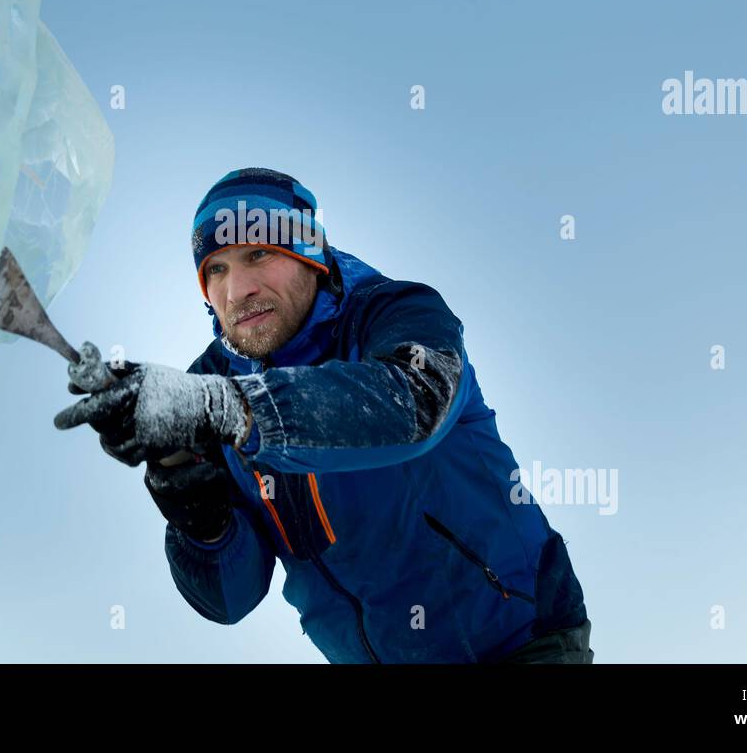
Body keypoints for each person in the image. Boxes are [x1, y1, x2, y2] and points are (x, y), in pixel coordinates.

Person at [54, 167, 593, 663]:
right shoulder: (210, 384)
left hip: (519, 644)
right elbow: (229, 598)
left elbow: (412, 404)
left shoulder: (397, 314)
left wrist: (229, 408)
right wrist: (188, 493)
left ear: (309, 253)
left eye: (258, 255)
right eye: (215, 268)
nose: (237, 289)